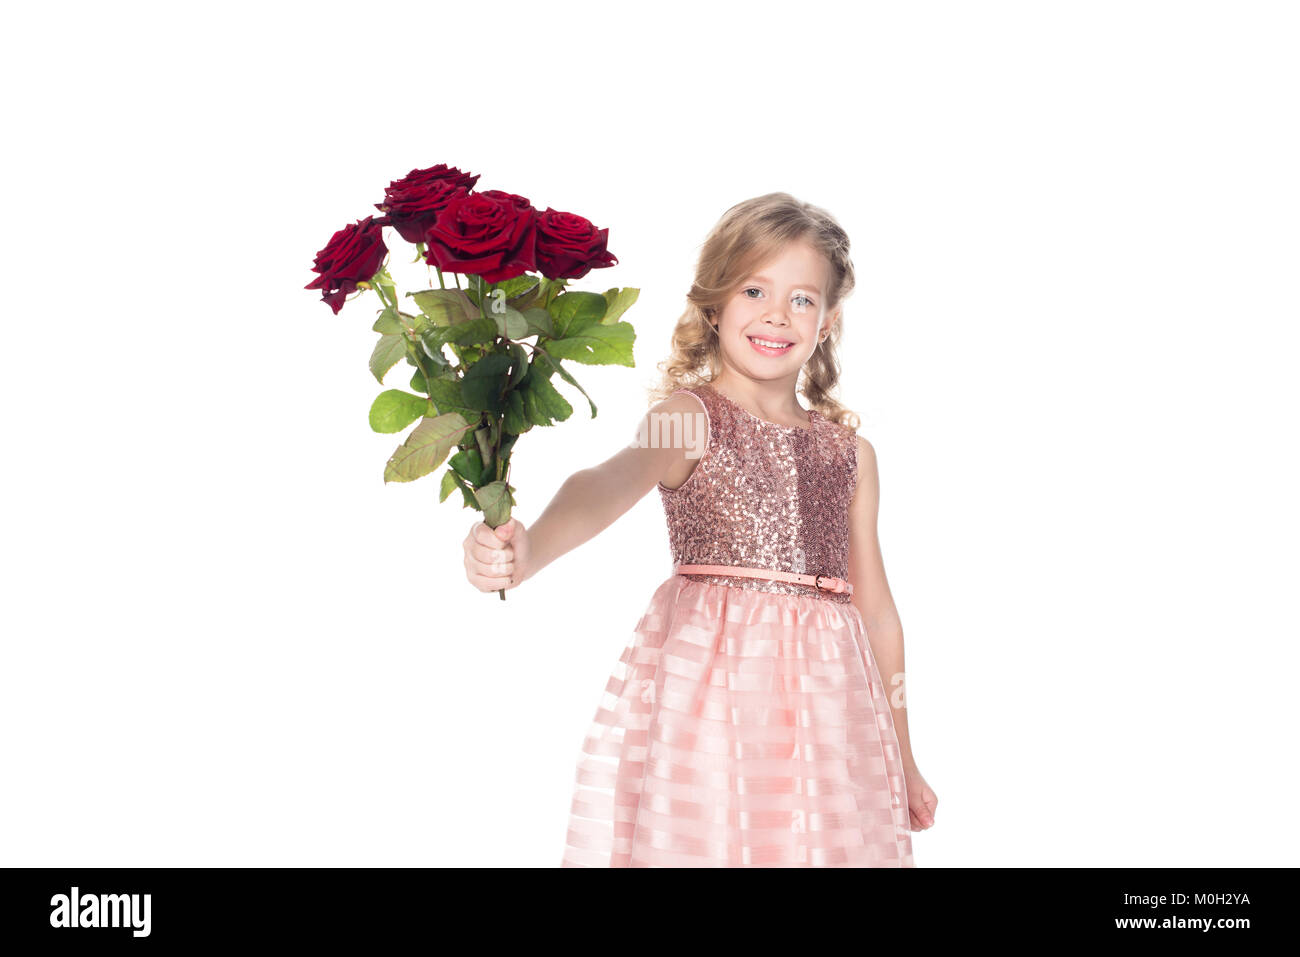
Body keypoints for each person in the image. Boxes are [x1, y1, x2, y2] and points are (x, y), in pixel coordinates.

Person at [463, 192, 938, 867]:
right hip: (717, 710)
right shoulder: (690, 417)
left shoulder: (851, 455)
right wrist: (530, 547)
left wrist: (903, 754)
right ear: (715, 303)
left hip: (832, 726)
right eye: (754, 289)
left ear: (828, 320)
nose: (777, 313)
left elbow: (880, 615)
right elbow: (606, 483)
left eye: (802, 299)